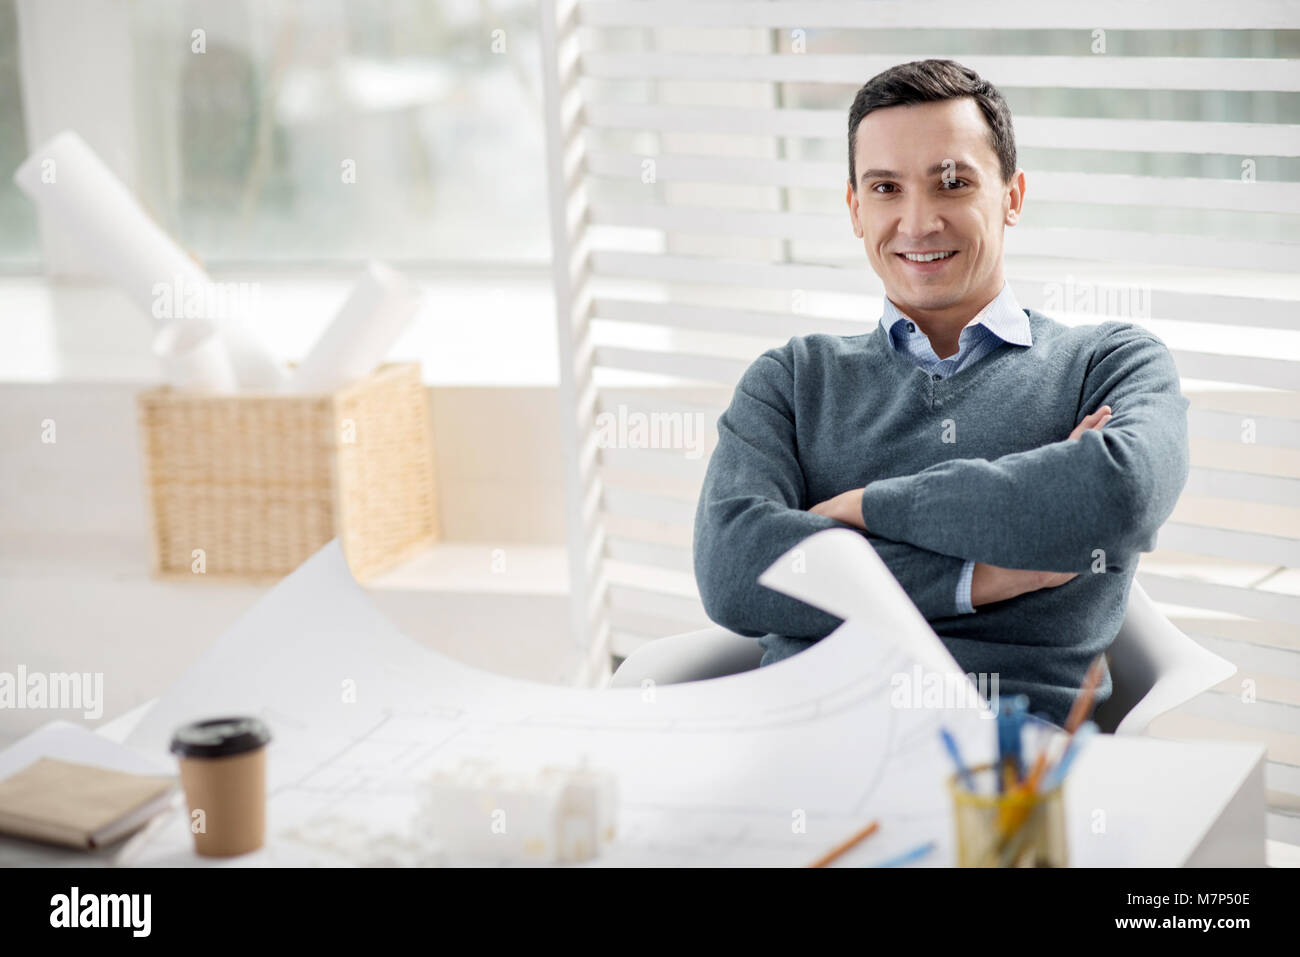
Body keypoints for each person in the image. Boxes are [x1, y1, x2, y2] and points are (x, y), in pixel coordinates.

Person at [692, 58, 1190, 728]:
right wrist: (983, 574)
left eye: (952, 183)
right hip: (798, 742)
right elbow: (732, 566)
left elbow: (1118, 490)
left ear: (1012, 196)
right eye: (887, 188)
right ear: (855, 209)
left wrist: (864, 509)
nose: (918, 222)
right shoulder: (790, 380)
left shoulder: (1107, 362)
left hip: (1001, 768)